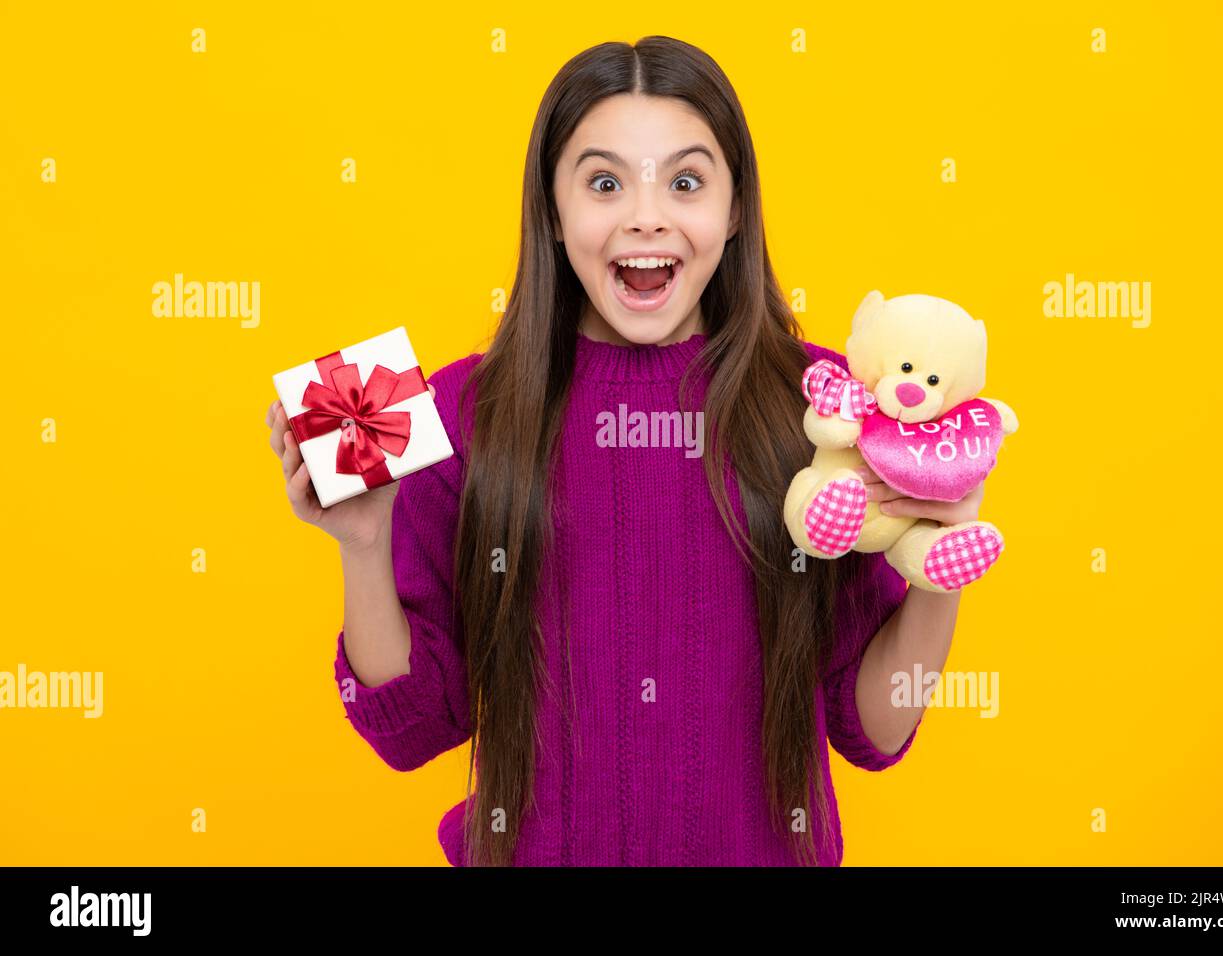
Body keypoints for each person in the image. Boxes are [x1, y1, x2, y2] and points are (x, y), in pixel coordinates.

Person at [265, 36, 981, 866]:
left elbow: (877, 728)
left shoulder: (825, 408)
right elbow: (413, 729)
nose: (647, 216)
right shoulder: (459, 413)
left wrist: (942, 560)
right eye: (605, 183)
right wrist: (363, 545)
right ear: (552, 210)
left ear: (735, 209)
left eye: (686, 182)